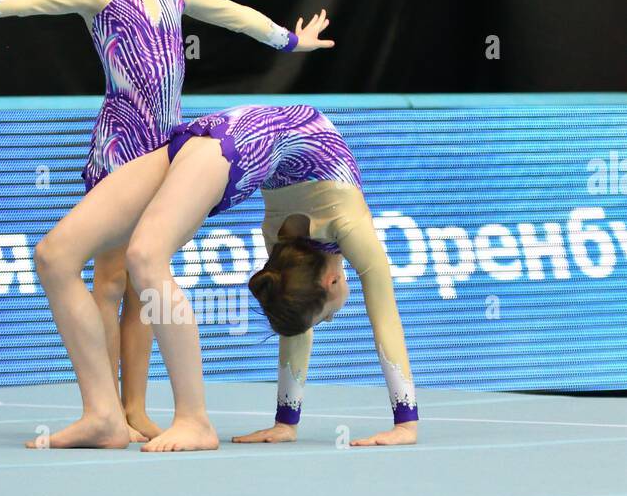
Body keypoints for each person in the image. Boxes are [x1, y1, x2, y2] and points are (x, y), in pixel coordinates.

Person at [0, 0, 333, 440]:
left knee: (144, 283)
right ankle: (105, 405)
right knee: (110, 281)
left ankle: (134, 409)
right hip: (123, 145)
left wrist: (289, 39)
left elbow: (236, 17)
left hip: (171, 147)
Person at [25, 104, 418, 451]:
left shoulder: (282, 242)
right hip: (216, 144)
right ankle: (122, 416)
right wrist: (405, 422)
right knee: (56, 256)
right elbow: (385, 315)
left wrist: (286, 422)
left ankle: (149, 418)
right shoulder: (350, 224)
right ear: (330, 284)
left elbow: (297, 327)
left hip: (217, 145)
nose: (332, 317)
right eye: (328, 316)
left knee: (143, 257)